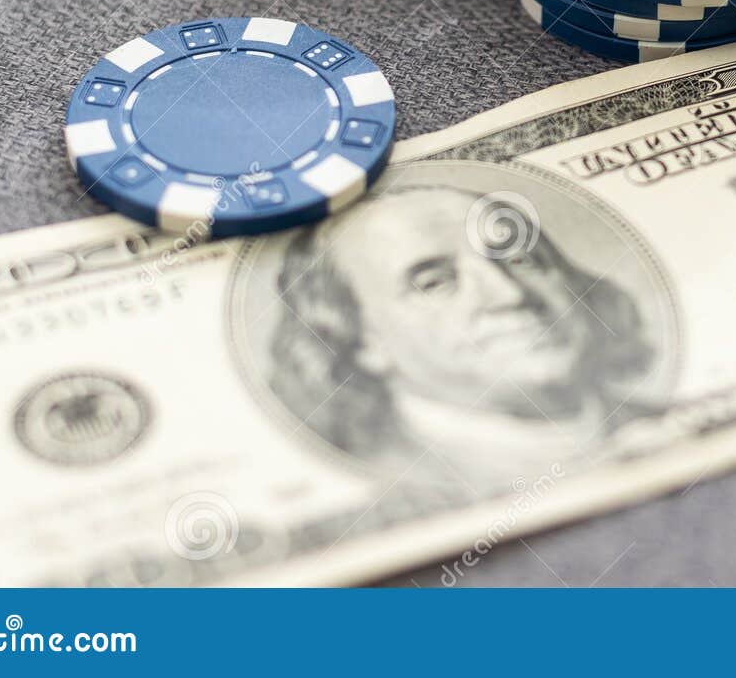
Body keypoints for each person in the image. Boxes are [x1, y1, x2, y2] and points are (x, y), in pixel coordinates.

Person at [263, 184, 658, 496]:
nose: (510, 293)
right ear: (361, 341)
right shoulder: (383, 470)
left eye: (522, 259)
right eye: (434, 283)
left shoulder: (664, 421)